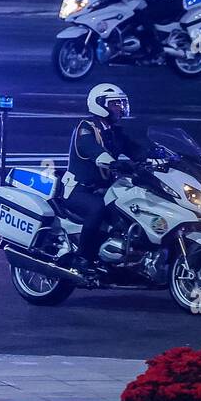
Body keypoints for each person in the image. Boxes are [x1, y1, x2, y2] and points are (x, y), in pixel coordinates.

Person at [62, 83, 144, 271]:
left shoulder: (115, 132)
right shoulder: (86, 129)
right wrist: (114, 163)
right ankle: (82, 258)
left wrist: (165, 156)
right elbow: (93, 150)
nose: (120, 108)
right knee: (97, 209)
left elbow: (137, 150)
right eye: (115, 104)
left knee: (131, 207)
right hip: (78, 189)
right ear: (99, 104)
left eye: (121, 104)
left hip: (105, 189)